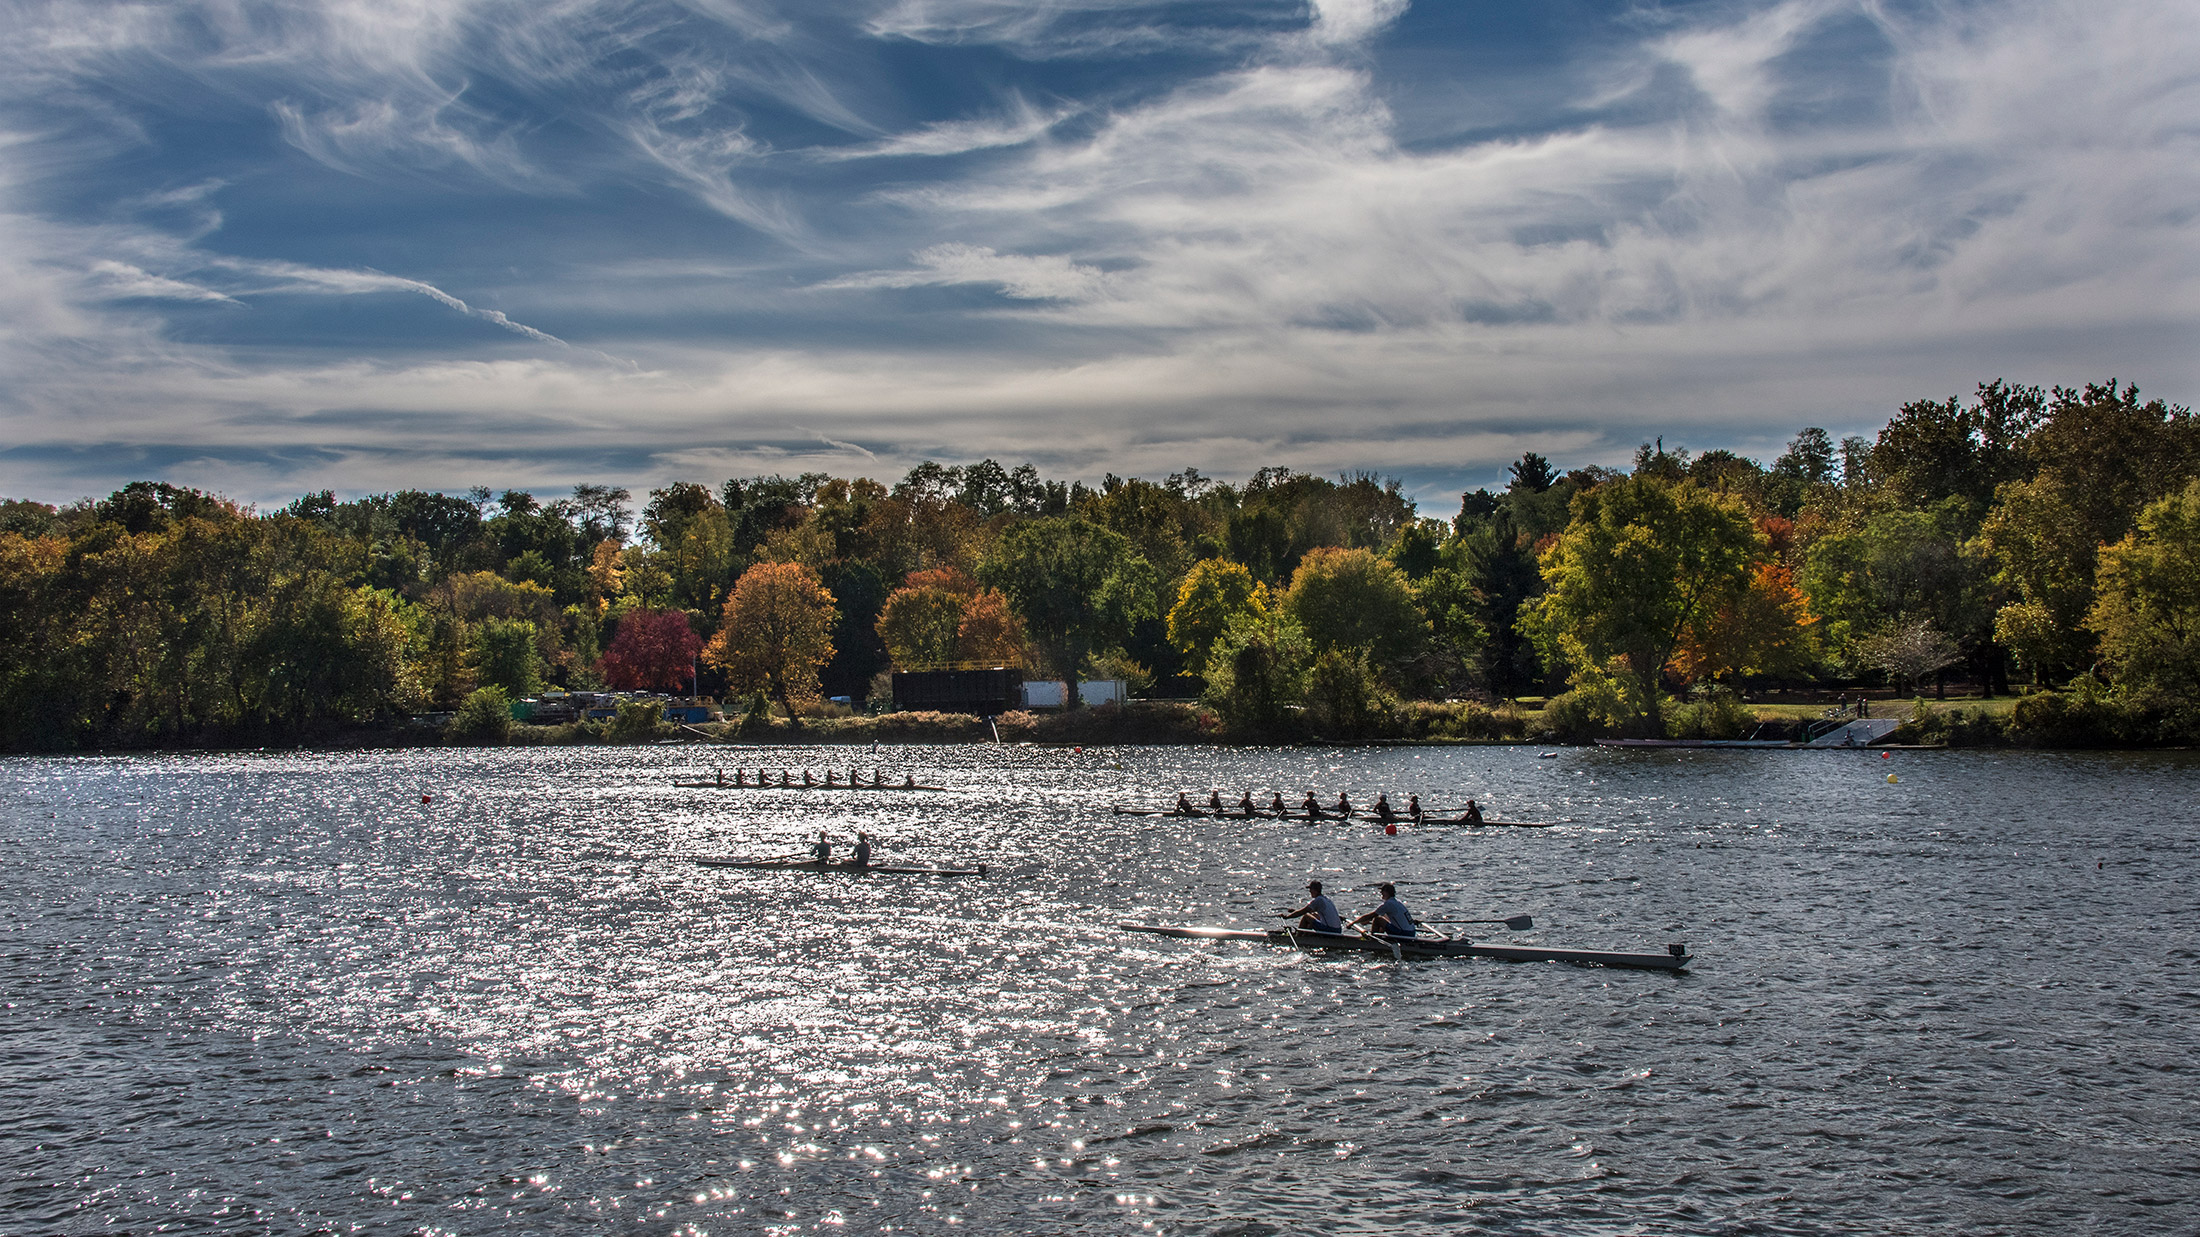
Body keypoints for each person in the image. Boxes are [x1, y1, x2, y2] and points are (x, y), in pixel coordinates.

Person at [1353, 882, 1418, 939]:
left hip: (1404, 934)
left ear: (1387, 892)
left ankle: (1373, 940)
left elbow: (1371, 916)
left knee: (1377, 919)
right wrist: (1367, 920)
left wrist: (1353, 923)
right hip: (1411, 933)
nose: (1381, 893)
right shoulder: (1398, 902)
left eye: (1382, 891)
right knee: (1384, 917)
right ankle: (1380, 937)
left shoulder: (1388, 904)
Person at [1278, 880, 1343, 934]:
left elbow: (1303, 912)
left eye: (1310, 889)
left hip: (1331, 930)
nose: (1309, 891)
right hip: (1338, 930)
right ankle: (1306, 935)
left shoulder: (1318, 900)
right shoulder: (1326, 899)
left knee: (1306, 916)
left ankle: (1299, 937)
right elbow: (1309, 911)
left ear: (1315, 890)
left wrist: (1287, 917)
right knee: (1313, 915)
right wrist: (1294, 911)